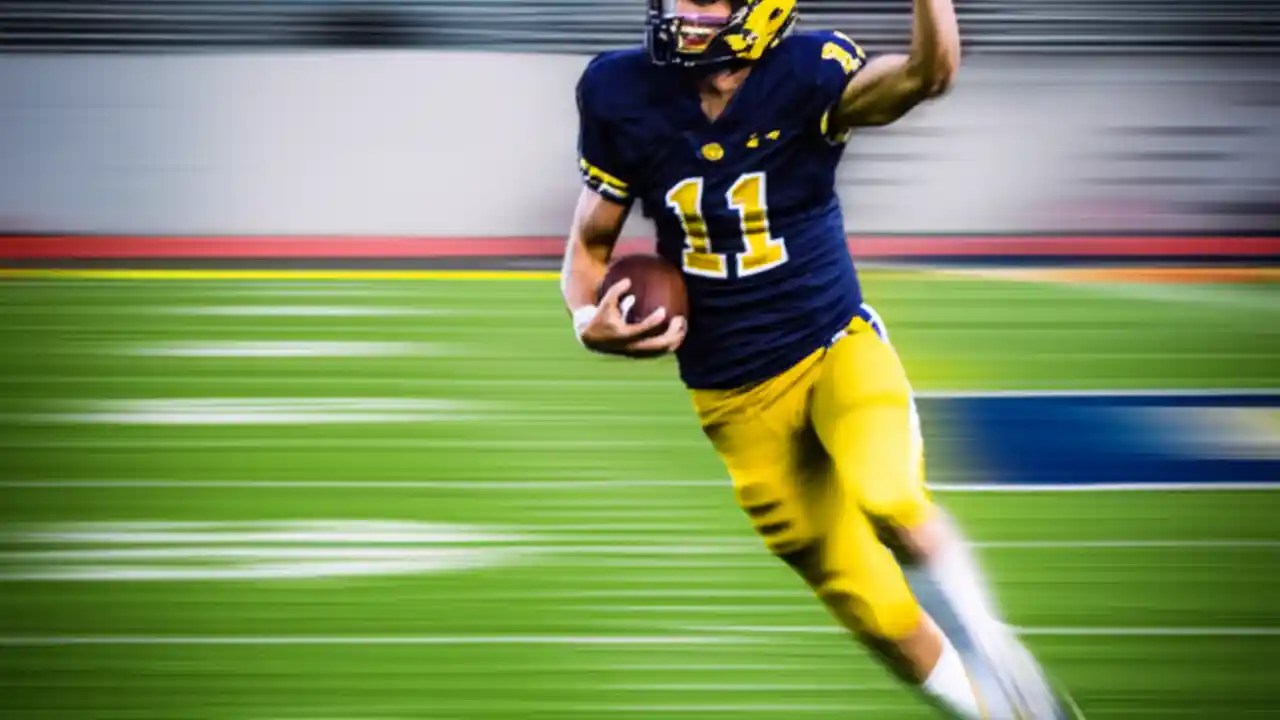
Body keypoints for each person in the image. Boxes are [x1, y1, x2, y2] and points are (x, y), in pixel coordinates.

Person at [560, 1, 1075, 717]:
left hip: (833, 345)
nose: (683, 9)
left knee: (889, 496)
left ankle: (995, 645)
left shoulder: (809, 72)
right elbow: (588, 248)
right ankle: (994, 714)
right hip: (733, 399)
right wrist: (588, 319)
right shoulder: (618, 89)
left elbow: (929, 74)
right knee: (869, 606)